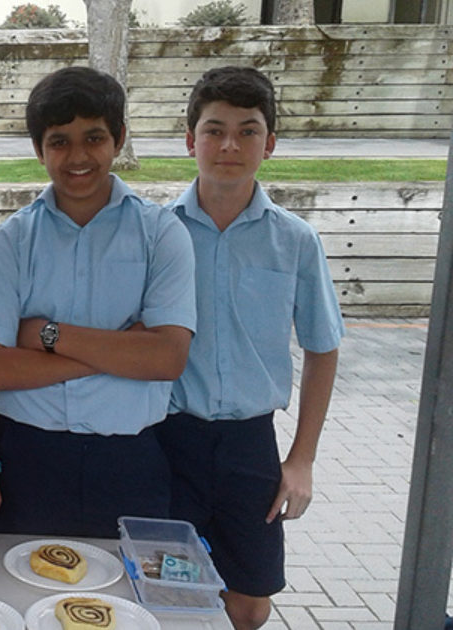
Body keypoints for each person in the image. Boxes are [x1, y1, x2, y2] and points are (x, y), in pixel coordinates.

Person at [0, 66, 196, 537]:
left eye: (93, 138)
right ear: (38, 149)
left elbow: (168, 357)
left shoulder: (161, 233)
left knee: (126, 603)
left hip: (130, 460)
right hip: (28, 457)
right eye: (59, 141)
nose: (78, 156)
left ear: (119, 139)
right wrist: (120, 353)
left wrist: (48, 337)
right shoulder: (11, 241)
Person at [157, 66, 343, 630]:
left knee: (250, 603)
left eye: (248, 130)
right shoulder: (157, 231)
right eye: (214, 130)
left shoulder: (294, 240)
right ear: (190, 140)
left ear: (271, 143)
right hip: (168, 438)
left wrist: (302, 458)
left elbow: (323, 347)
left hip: (248, 445)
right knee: (164, 588)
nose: (229, 145)